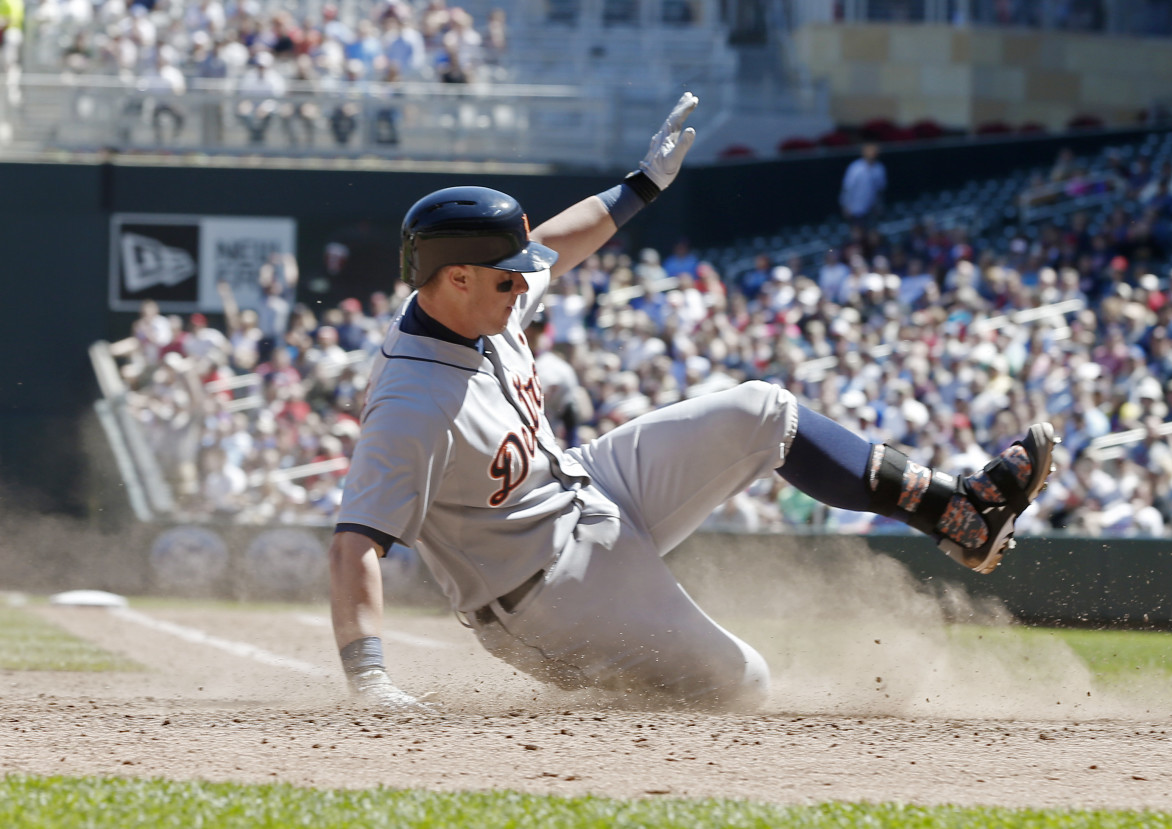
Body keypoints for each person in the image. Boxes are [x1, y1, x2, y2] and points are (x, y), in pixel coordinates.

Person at [327, 93, 1058, 713]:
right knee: (745, 686)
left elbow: (552, 243)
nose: (526, 282)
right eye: (507, 276)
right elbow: (356, 540)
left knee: (762, 410)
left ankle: (961, 513)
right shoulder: (411, 401)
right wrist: (368, 679)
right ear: (456, 277)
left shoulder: (481, 301)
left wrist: (642, 183)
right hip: (542, 591)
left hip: (585, 487)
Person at [839, 142, 887, 229]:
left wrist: (879, 206)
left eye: (875, 150)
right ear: (864, 152)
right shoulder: (855, 167)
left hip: (872, 208)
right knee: (858, 233)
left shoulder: (879, 168)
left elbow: (880, 190)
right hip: (856, 208)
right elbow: (847, 188)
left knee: (872, 233)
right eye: (870, 150)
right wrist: (846, 206)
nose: (873, 153)